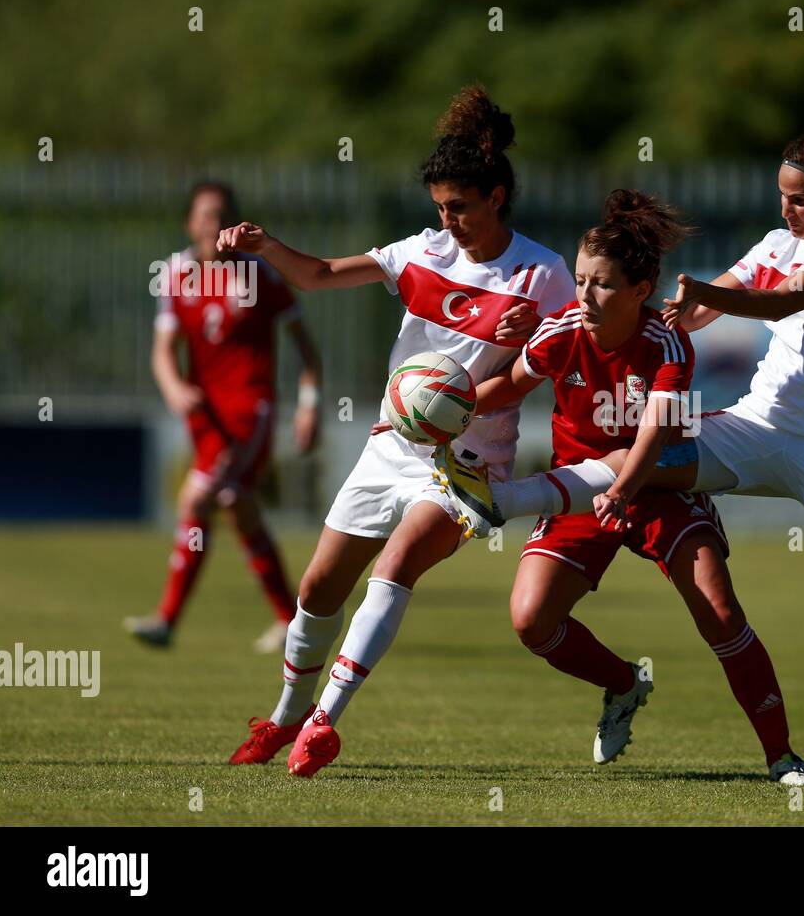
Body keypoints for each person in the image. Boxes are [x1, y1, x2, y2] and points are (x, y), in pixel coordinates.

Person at [436, 125, 804, 774]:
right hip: (756, 424)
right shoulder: (778, 242)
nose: (788, 210)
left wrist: (705, 296)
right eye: (783, 196)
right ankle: (500, 500)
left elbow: (782, 300)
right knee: (653, 453)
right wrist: (655, 304)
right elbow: (700, 310)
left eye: (802, 200)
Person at [220, 86, 575, 777]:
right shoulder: (422, 252)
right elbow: (320, 276)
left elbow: (571, 351)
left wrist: (534, 333)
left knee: (398, 562)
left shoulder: (543, 272)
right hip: (391, 443)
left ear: (497, 196)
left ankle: (326, 721)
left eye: (461, 207)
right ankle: (287, 712)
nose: (449, 220)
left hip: (467, 460)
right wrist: (266, 246)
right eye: (440, 207)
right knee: (319, 587)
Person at [451, 189, 804, 784]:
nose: (585, 295)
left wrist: (624, 488)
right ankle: (624, 684)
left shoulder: (667, 341)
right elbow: (509, 386)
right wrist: (447, 411)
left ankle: (782, 757)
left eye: (601, 283)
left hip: (658, 486)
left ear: (640, 290)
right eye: (580, 279)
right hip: (578, 490)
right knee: (530, 621)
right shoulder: (560, 331)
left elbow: (656, 430)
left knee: (720, 612)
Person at [125, 181, 321, 653]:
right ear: (190, 223)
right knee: (238, 506)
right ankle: (291, 620)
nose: (213, 224)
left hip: (251, 412)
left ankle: (167, 620)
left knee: (195, 500)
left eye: (222, 215)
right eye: (204, 215)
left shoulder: (263, 275)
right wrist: (173, 387)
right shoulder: (175, 273)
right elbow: (162, 352)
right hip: (206, 418)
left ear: (234, 223)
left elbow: (307, 352)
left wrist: (310, 406)